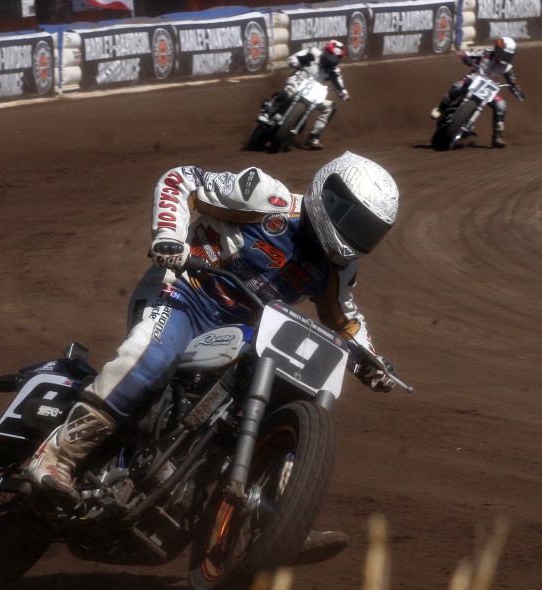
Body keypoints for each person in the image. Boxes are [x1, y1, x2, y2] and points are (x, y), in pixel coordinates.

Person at [24, 152, 401, 559]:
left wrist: (372, 360)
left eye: (368, 230)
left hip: (245, 331)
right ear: (328, 193)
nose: (354, 235)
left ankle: (281, 516)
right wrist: (168, 235)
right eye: (352, 220)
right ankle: (57, 456)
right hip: (186, 291)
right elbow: (182, 179)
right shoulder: (265, 197)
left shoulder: (337, 269)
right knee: (153, 358)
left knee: (290, 394)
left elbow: (346, 318)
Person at [430, 36, 526, 148]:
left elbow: (513, 81)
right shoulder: (485, 53)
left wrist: (517, 91)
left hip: (489, 89)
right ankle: (440, 108)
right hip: (473, 79)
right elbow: (466, 53)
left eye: (508, 55)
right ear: (498, 50)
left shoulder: (507, 67)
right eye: (504, 54)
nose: (505, 57)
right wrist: (468, 60)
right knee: (458, 86)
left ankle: (497, 137)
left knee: (501, 105)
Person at [257, 40, 351, 150]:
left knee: (331, 107)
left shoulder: (334, 71)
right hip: (298, 81)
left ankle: (313, 137)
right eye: (330, 55)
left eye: (335, 58)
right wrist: (296, 62)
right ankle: (266, 113)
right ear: (325, 51)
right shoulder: (312, 53)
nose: (331, 60)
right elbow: (292, 58)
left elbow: (340, 85)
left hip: (314, 93)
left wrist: (343, 93)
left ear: (339, 59)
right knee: (287, 94)